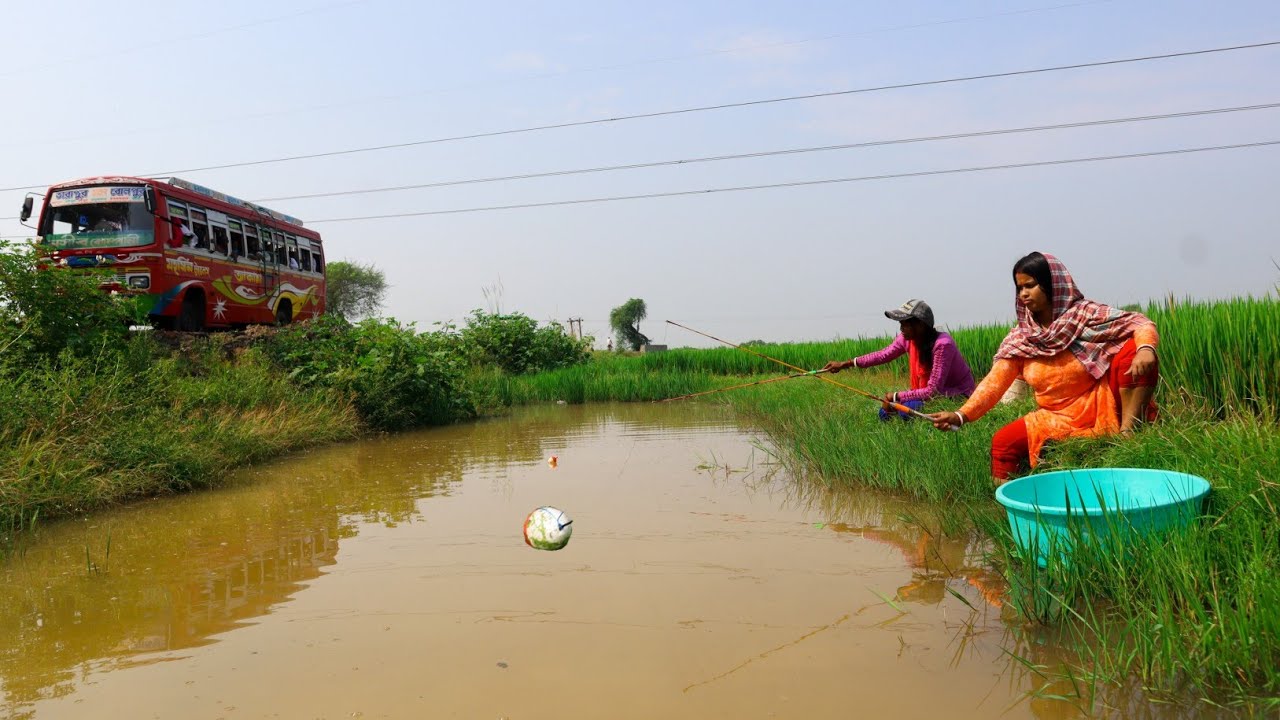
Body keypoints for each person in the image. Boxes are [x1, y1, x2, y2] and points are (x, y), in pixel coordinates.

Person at [927, 252, 1159, 485]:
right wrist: (961, 415)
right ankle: (1009, 507)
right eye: (1019, 288)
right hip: (1055, 414)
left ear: (1053, 285)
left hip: (1099, 401)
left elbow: (1140, 323)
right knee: (1002, 443)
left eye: (1030, 285)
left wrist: (1146, 347)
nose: (1023, 294)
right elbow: (993, 383)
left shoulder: (1085, 315)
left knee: (1133, 349)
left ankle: (1128, 432)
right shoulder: (1022, 337)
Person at [823, 299, 976, 421]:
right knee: (884, 414)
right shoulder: (908, 339)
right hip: (928, 393)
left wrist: (895, 396)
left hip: (955, 394)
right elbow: (883, 355)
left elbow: (933, 390)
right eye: (900, 323)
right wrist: (846, 364)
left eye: (905, 323)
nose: (901, 328)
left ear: (921, 325)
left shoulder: (942, 345)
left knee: (905, 413)